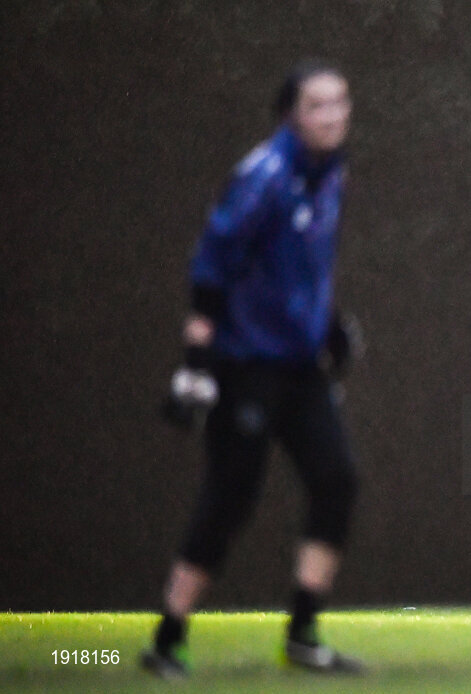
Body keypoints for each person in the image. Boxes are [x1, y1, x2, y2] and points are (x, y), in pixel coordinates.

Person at [142, 60, 364, 677]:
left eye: (340, 102)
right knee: (231, 497)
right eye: (319, 105)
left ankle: (302, 634)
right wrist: (194, 365)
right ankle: (167, 638)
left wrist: (331, 324)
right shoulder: (264, 176)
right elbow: (212, 268)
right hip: (245, 365)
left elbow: (303, 263)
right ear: (293, 112)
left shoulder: (331, 172)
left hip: (299, 367)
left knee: (337, 480)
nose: (333, 114)